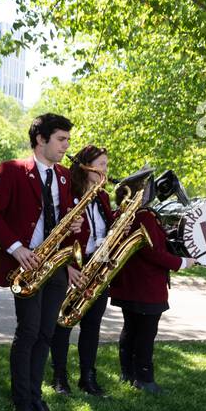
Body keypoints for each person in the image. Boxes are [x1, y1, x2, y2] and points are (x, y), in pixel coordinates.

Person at [0, 113, 84, 411]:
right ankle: (22, 399)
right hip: (24, 264)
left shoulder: (65, 176)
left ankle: (36, 398)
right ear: (41, 139)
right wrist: (17, 249)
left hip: (54, 264)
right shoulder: (11, 170)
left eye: (67, 139)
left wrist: (74, 225)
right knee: (27, 332)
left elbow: (63, 219)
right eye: (61, 139)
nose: (66, 146)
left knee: (45, 332)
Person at [107, 181, 194, 393]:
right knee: (145, 333)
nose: (150, 192)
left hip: (130, 283)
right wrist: (182, 262)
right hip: (146, 285)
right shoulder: (143, 214)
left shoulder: (124, 212)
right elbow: (152, 251)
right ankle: (144, 379)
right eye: (146, 189)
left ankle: (128, 374)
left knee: (131, 330)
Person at [49, 145, 114, 396]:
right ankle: (59, 377)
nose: (104, 170)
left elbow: (105, 230)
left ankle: (87, 377)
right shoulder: (67, 193)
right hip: (73, 267)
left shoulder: (103, 197)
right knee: (63, 324)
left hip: (98, 267)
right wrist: (66, 268)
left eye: (106, 165)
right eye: (100, 164)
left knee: (92, 325)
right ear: (85, 166)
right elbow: (53, 235)